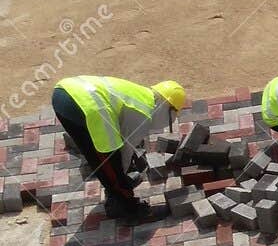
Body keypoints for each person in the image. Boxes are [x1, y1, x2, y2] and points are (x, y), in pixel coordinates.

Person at [52, 75, 186, 221]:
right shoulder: (143, 114)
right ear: (168, 108)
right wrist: (122, 181)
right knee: (110, 163)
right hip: (86, 107)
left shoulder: (142, 94)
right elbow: (124, 151)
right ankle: (130, 210)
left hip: (63, 93)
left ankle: (112, 191)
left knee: (93, 151)